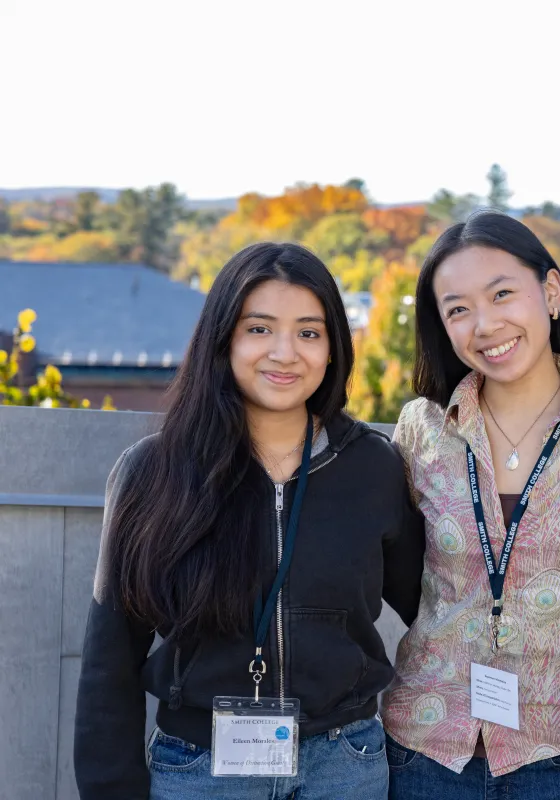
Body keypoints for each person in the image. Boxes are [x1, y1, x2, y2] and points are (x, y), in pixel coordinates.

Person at [74, 242, 425, 799]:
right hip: (200, 770)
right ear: (223, 339)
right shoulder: (154, 472)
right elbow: (110, 655)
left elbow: (435, 607)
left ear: (333, 348)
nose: (284, 353)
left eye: (308, 332)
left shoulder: (373, 466)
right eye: (259, 329)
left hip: (345, 765)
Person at [384, 212, 560, 800]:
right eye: (458, 309)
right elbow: (391, 563)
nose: (485, 324)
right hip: (427, 750)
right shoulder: (423, 429)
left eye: (502, 294)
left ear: (551, 292)